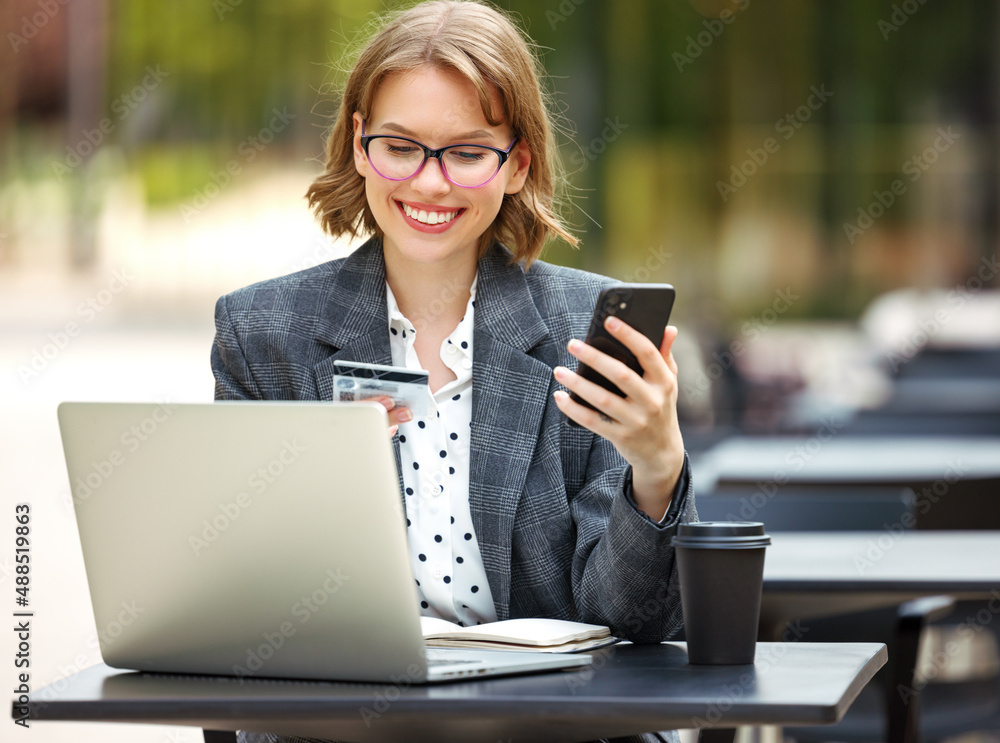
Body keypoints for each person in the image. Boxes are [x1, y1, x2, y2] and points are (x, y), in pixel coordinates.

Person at [210, 2, 696, 741]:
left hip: (547, 729)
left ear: (518, 164)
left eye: (467, 153)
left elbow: (633, 620)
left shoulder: (585, 331)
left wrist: (657, 465)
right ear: (358, 143)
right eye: (400, 146)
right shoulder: (262, 334)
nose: (430, 184)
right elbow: (239, 608)